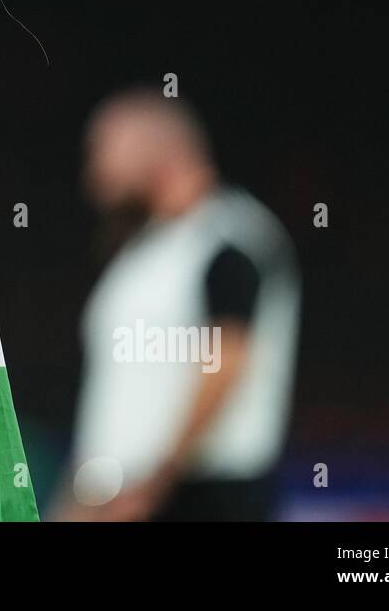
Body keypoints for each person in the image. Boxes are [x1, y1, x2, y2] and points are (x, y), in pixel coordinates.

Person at [54, 91, 300, 521]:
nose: (94, 173)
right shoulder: (149, 249)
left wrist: (154, 485)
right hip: (128, 497)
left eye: (104, 151)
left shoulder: (227, 239)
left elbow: (226, 364)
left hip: (204, 500)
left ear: (157, 154)